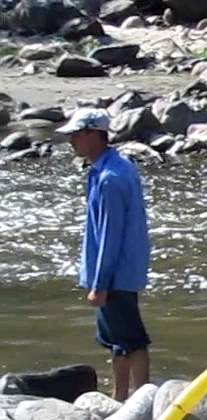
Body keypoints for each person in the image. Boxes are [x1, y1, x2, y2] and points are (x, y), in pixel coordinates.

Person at [58, 107, 152, 401]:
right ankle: (120, 395)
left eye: (76, 134)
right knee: (117, 340)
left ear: (94, 135)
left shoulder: (110, 178)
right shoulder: (113, 167)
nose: (71, 140)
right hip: (120, 270)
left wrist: (99, 284)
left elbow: (110, 235)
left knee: (132, 340)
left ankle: (143, 401)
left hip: (115, 274)